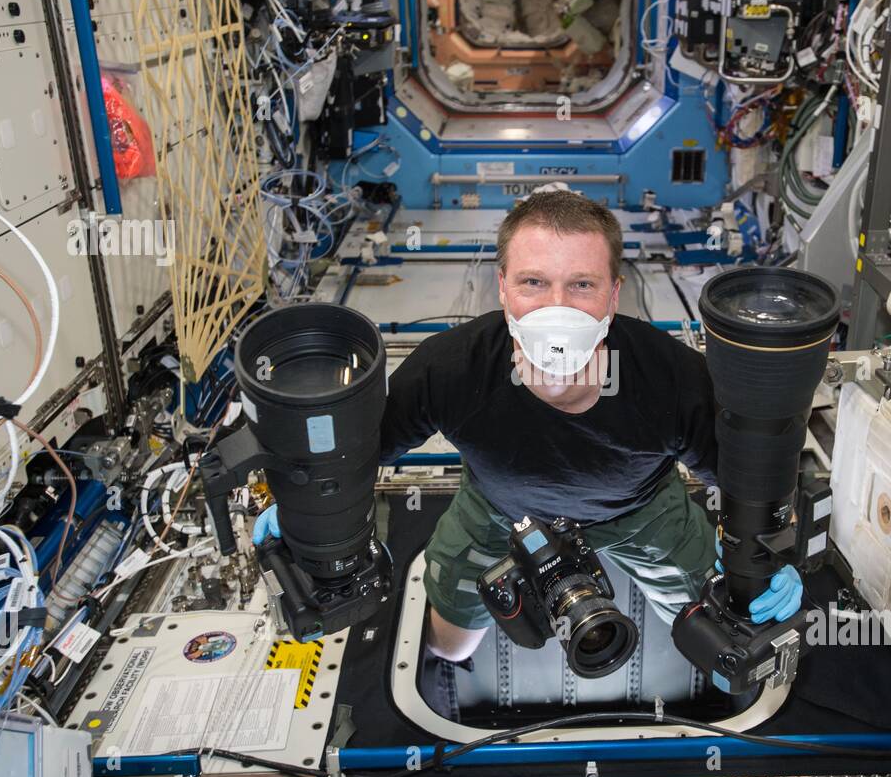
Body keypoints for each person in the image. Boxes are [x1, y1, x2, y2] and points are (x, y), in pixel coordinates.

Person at [254, 190, 802, 706]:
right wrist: (311, 509)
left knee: (729, 639)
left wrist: (768, 555)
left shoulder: (675, 379)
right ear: (502, 288)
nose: (555, 310)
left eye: (582, 286)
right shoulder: (450, 368)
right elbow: (363, 451)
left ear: (614, 295)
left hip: (643, 514)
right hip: (496, 512)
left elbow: (746, 481)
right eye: (534, 283)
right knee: (450, 644)